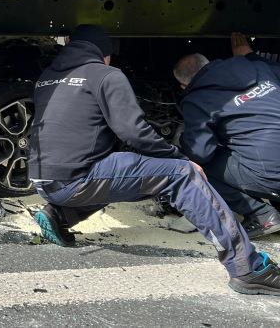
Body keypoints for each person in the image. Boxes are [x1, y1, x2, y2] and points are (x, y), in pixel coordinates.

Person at [30, 24, 279, 296]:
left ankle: (60, 214)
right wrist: (180, 159)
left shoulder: (48, 78)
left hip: (46, 181)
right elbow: (134, 132)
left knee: (134, 172)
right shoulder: (105, 75)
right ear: (106, 54)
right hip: (76, 179)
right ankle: (247, 267)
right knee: (182, 175)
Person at [173, 33, 280, 238]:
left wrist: (182, 145)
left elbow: (200, 153)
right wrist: (251, 56)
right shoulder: (256, 67)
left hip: (273, 175)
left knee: (199, 167)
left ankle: (262, 215)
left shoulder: (197, 99)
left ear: (184, 86)